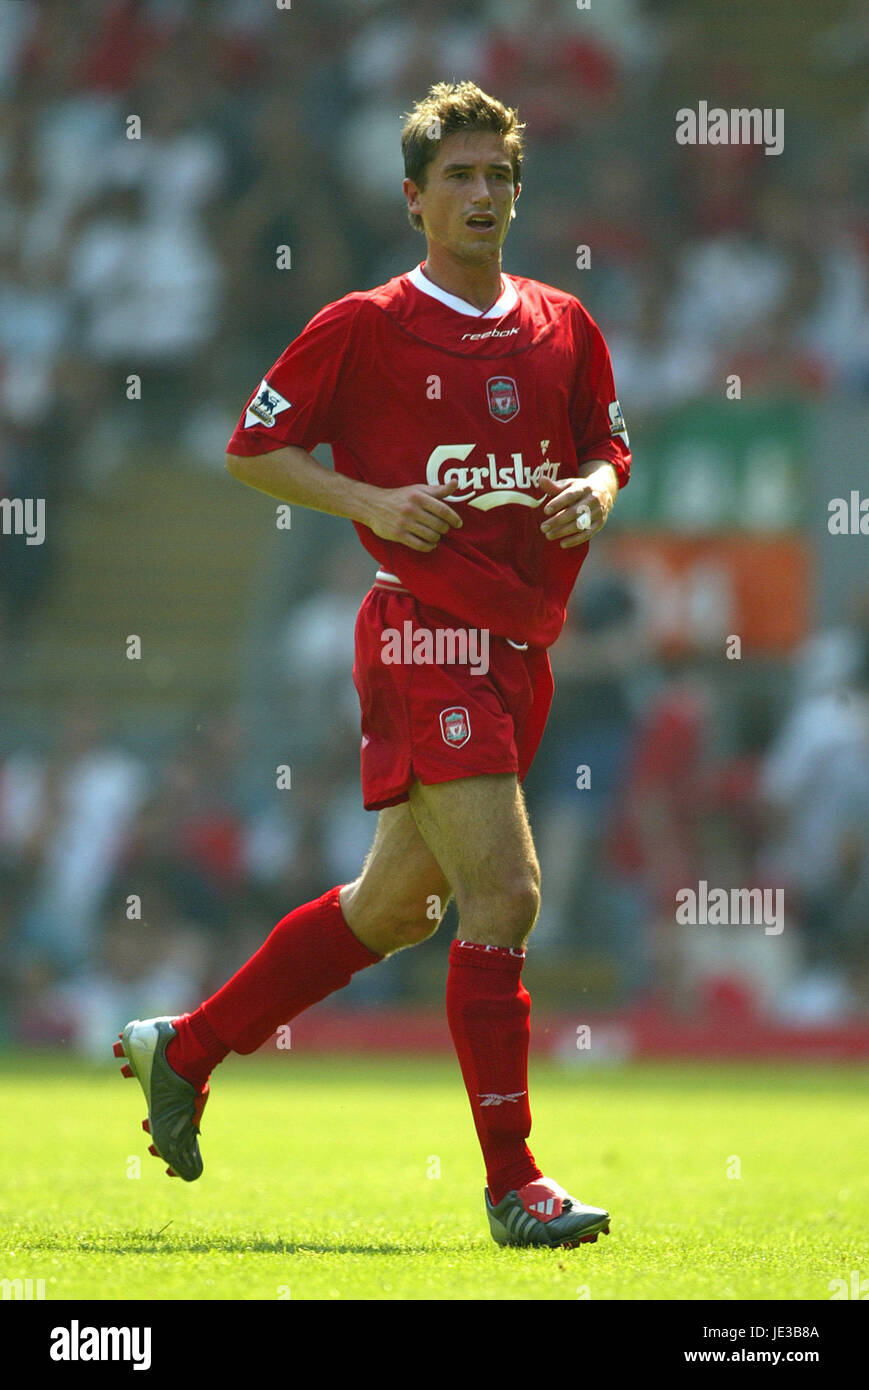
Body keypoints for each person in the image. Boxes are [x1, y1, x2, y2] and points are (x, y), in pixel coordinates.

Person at [115, 81, 631, 1249]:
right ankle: (514, 1183)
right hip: (421, 632)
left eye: (498, 174)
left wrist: (594, 489)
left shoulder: (561, 323)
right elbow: (254, 446)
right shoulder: (364, 324)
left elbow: (609, 439)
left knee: (395, 907)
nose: (483, 194)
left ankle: (182, 1049)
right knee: (505, 894)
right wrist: (366, 500)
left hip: (518, 644)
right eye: (458, 176)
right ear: (414, 199)